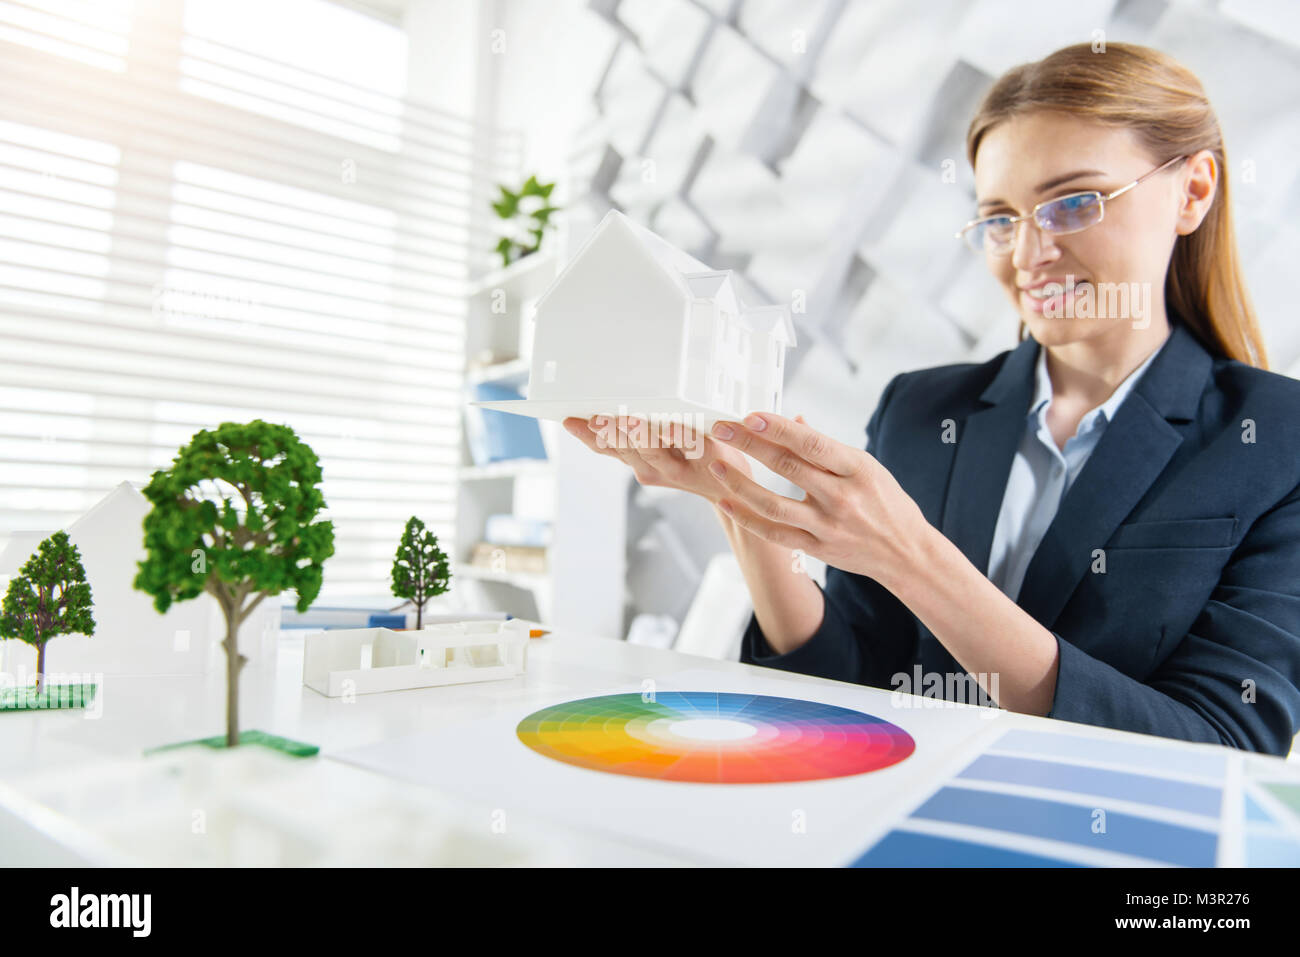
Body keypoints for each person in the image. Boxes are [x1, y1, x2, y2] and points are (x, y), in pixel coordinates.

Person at [562, 42, 1300, 757]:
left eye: (1073, 203)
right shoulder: (922, 411)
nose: (1028, 253)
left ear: (1193, 191)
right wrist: (739, 497)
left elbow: (1222, 748)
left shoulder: (1276, 439)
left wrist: (909, 556)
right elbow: (848, 682)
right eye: (1000, 219)